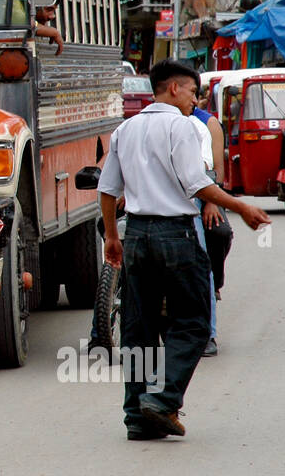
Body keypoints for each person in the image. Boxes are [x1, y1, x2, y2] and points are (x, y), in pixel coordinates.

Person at [98, 59, 270, 440]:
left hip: (137, 236)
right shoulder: (182, 126)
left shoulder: (125, 129)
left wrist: (112, 236)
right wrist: (241, 206)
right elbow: (196, 183)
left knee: (138, 328)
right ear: (173, 88)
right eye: (193, 91)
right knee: (192, 322)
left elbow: (108, 189)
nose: (195, 99)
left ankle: (137, 418)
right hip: (175, 233)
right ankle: (163, 398)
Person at [191, 88, 232, 356]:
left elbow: (216, 169)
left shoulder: (207, 124)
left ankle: (208, 332)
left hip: (200, 194)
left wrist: (212, 201)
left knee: (218, 234)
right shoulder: (145, 122)